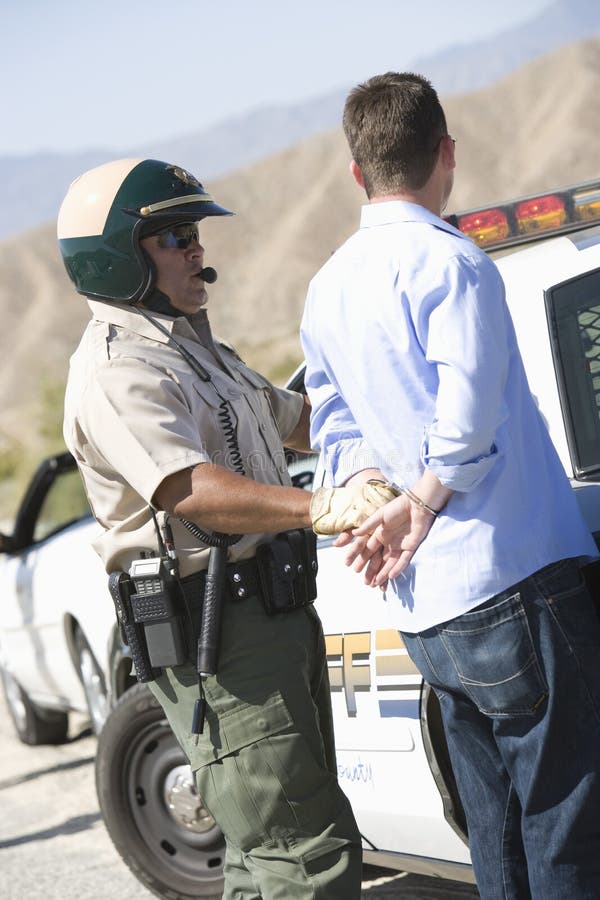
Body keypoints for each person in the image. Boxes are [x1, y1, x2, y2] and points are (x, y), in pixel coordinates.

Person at [58, 157, 396, 899]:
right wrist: (323, 506)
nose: (196, 250)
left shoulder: (192, 350)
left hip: (269, 612)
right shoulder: (118, 372)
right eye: (176, 236)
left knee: (264, 854)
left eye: (194, 233)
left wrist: (393, 439)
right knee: (308, 858)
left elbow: (294, 418)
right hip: (218, 632)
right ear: (119, 254)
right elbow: (188, 489)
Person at [300, 72, 600, 899]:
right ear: (447, 154)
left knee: (496, 830)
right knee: (564, 824)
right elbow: (467, 426)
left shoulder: (326, 289)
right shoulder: (454, 263)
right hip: (511, 578)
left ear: (356, 172)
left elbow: (331, 417)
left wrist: (374, 490)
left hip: (427, 608)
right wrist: (420, 506)